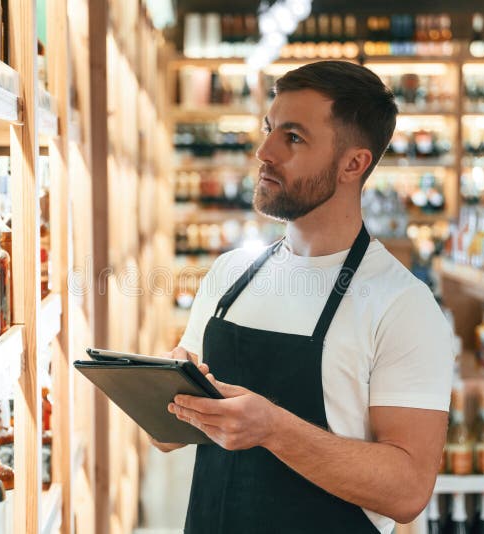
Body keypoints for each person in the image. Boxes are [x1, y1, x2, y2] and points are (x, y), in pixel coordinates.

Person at [154, 60, 454, 534]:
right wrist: (168, 396)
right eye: (269, 129)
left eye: (293, 138)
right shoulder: (230, 275)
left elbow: (408, 490)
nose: (263, 151)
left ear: (354, 163)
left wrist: (272, 429)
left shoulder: (401, 305)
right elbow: (168, 439)